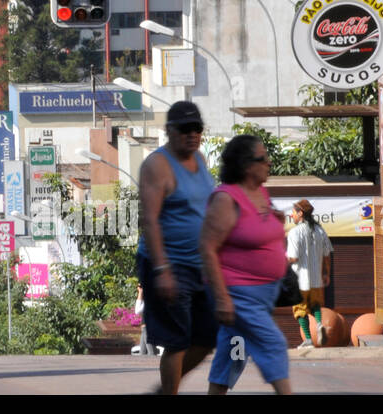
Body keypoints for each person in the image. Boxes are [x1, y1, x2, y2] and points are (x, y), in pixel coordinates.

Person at [199, 135, 293, 394]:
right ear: (246, 165)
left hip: (262, 294)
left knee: (234, 350)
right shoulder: (226, 200)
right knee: (272, 344)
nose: (269, 163)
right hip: (237, 293)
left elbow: (256, 231)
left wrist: (276, 221)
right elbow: (207, 247)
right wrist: (222, 299)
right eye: (263, 159)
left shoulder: (260, 191)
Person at [136, 100, 217, 394]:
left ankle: (166, 388)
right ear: (169, 130)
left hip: (199, 264)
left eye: (197, 128)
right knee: (177, 341)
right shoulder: (156, 166)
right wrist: (162, 270)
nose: (192, 134)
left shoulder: (201, 159)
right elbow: (150, 220)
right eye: (185, 129)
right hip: (168, 263)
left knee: (209, 336)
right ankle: (169, 391)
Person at [287, 198, 333, 348]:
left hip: (300, 279)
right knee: (315, 305)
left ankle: (308, 340)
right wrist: (326, 274)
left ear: (300, 213)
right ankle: (319, 324)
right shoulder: (320, 231)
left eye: (293, 212)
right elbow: (327, 255)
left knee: (300, 310)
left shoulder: (295, 232)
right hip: (316, 279)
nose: (291, 215)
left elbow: (293, 258)